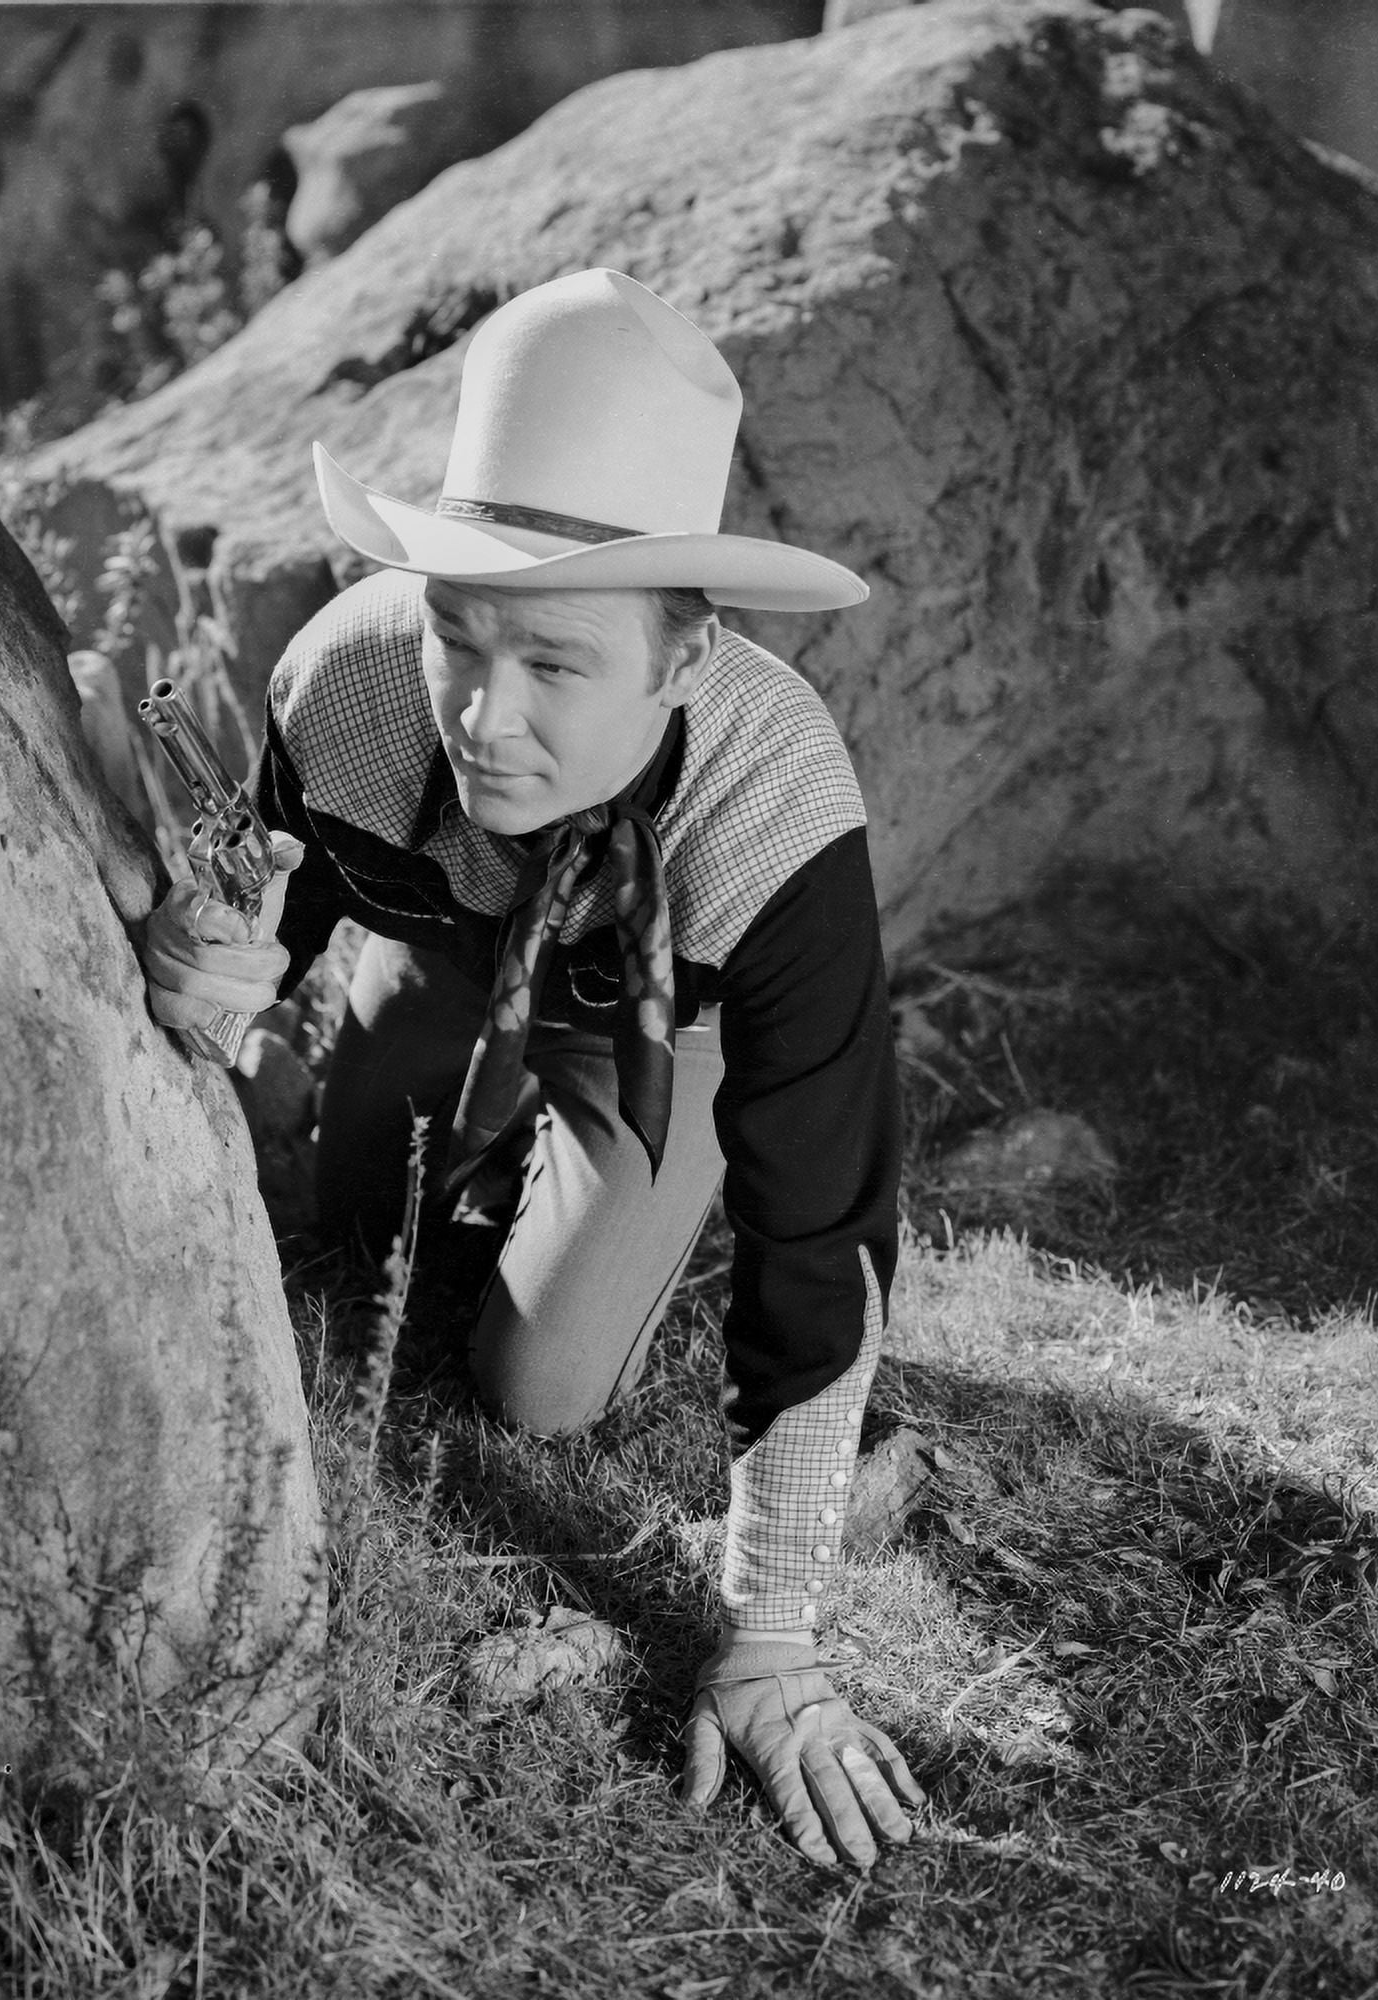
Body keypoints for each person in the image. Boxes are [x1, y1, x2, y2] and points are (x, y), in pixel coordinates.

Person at [141, 268, 925, 1868]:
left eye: (557, 665)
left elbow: (822, 1223)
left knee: (538, 1392)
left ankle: (624, 1198)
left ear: (684, 650)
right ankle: (471, 1145)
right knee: (361, 1243)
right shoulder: (348, 682)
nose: (487, 717)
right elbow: (260, 941)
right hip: (434, 950)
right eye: (459, 635)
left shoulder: (779, 825)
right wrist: (207, 981)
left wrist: (772, 1637)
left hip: (653, 1028)